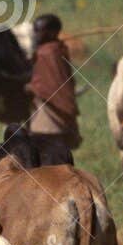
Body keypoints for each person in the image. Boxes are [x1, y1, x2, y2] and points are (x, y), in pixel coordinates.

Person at [26, 13, 81, 150]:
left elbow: (49, 84)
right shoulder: (59, 48)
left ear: (51, 33)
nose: (35, 35)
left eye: (39, 31)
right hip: (51, 109)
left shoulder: (47, 53)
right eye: (35, 30)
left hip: (48, 112)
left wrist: (30, 87)